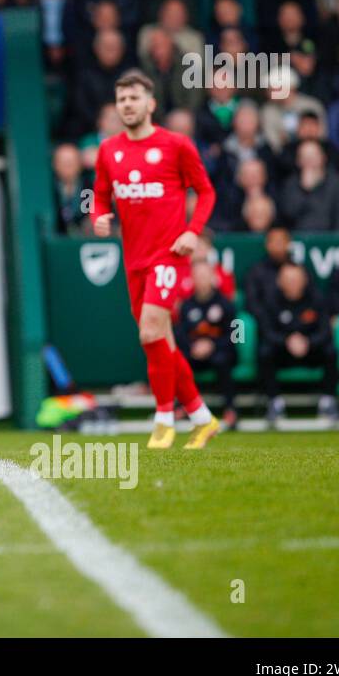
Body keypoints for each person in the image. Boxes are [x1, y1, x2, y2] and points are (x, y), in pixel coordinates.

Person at [92, 70, 220, 450]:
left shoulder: (176, 145)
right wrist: (99, 214)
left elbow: (207, 191)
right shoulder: (108, 150)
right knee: (161, 341)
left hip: (167, 255)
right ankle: (201, 417)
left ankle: (164, 419)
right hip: (134, 259)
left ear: (151, 104)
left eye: (134, 98)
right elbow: (100, 193)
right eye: (121, 99)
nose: (127, 105)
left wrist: (192, 231)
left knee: (150, 331)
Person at [258, 262, 339, 426]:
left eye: (296, 279)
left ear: (305, 280)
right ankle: (274, 403)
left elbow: (325, 332)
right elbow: (266, 332)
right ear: (279, 281)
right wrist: (286, 341)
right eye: (288, 279)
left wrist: (308, 342)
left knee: (332, 351)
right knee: (264, 352)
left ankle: (328, 402)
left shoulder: (317, 298)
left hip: (311, 350)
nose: (292, 283)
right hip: (282, 351)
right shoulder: (270, 301)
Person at [175, 259, 238, 430]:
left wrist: (213, 345)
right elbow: (180, 335)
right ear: (192, 279)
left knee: (222, 361)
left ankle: (230, 409)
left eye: (205, 275)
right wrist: (193, 347)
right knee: (180, 362)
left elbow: (237, 337)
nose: (202, 280)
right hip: (195, 353)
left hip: (222, 352)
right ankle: (181, 406)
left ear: (213, 277)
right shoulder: (186, 306)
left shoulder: (227, 304)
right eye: (198, 276)